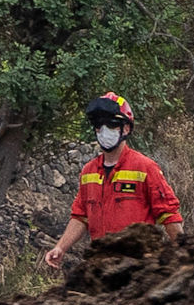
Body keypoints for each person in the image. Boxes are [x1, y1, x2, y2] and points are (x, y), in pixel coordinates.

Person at [44, 95, 182, 270]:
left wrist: (185, 254)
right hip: (100, 268)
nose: (104, 130)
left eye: (110, 124)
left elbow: (168, 214)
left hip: (139, 268)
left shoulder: (145, 168)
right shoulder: (89, 172)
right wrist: (60, 247)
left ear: (125, 128)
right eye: (99, 125)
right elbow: (80, 216)